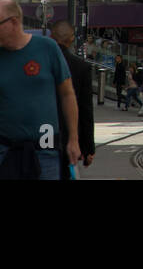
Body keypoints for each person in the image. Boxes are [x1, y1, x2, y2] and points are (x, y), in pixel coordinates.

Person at [0, 0, 79, 180]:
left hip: (45, 148)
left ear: (13, 22)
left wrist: (73, 140)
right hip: (4, 149)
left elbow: (67, 94)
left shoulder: (48, 48)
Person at [49, 21, 96, 180]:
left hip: (40, 136)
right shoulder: (81, 66)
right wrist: (88, 147)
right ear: (72, 39)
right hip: (69, 136)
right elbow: (85, 109)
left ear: (51, 37)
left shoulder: (39, 63)